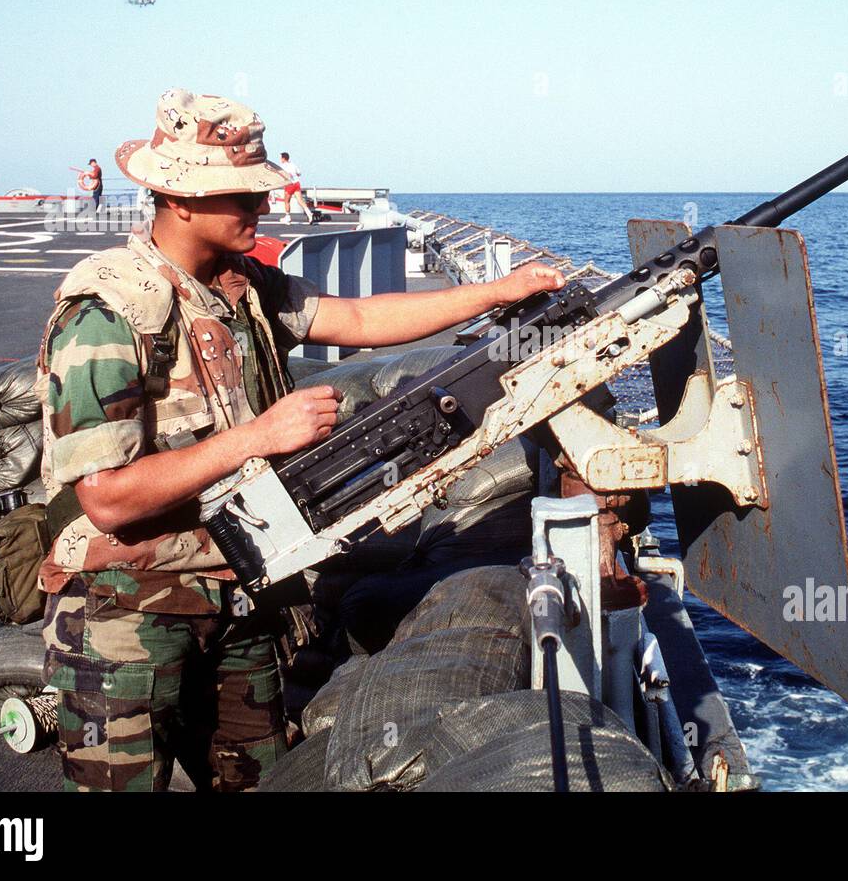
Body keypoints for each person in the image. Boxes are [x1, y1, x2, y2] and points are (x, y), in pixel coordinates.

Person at [35, 88, 565, 791]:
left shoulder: (242, 286)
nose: (260, 207)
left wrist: (493, 295)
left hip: (242, 591)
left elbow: (359, 316)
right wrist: (259, 435)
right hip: (126, 609)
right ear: (179, 199)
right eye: (238, 196)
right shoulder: (107, 312)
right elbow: (106, 499)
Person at [277, 151, 316, 224]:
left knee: (286, 201)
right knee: (300, 200)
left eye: (281, 158)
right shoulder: (293, 164)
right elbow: (299, 173)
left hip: (289, 184)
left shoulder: (282, 166)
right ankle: (309, 213)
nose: (280, 159)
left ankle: (288, 217)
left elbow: (281, 174)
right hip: (297, 183)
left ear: (283, 158)